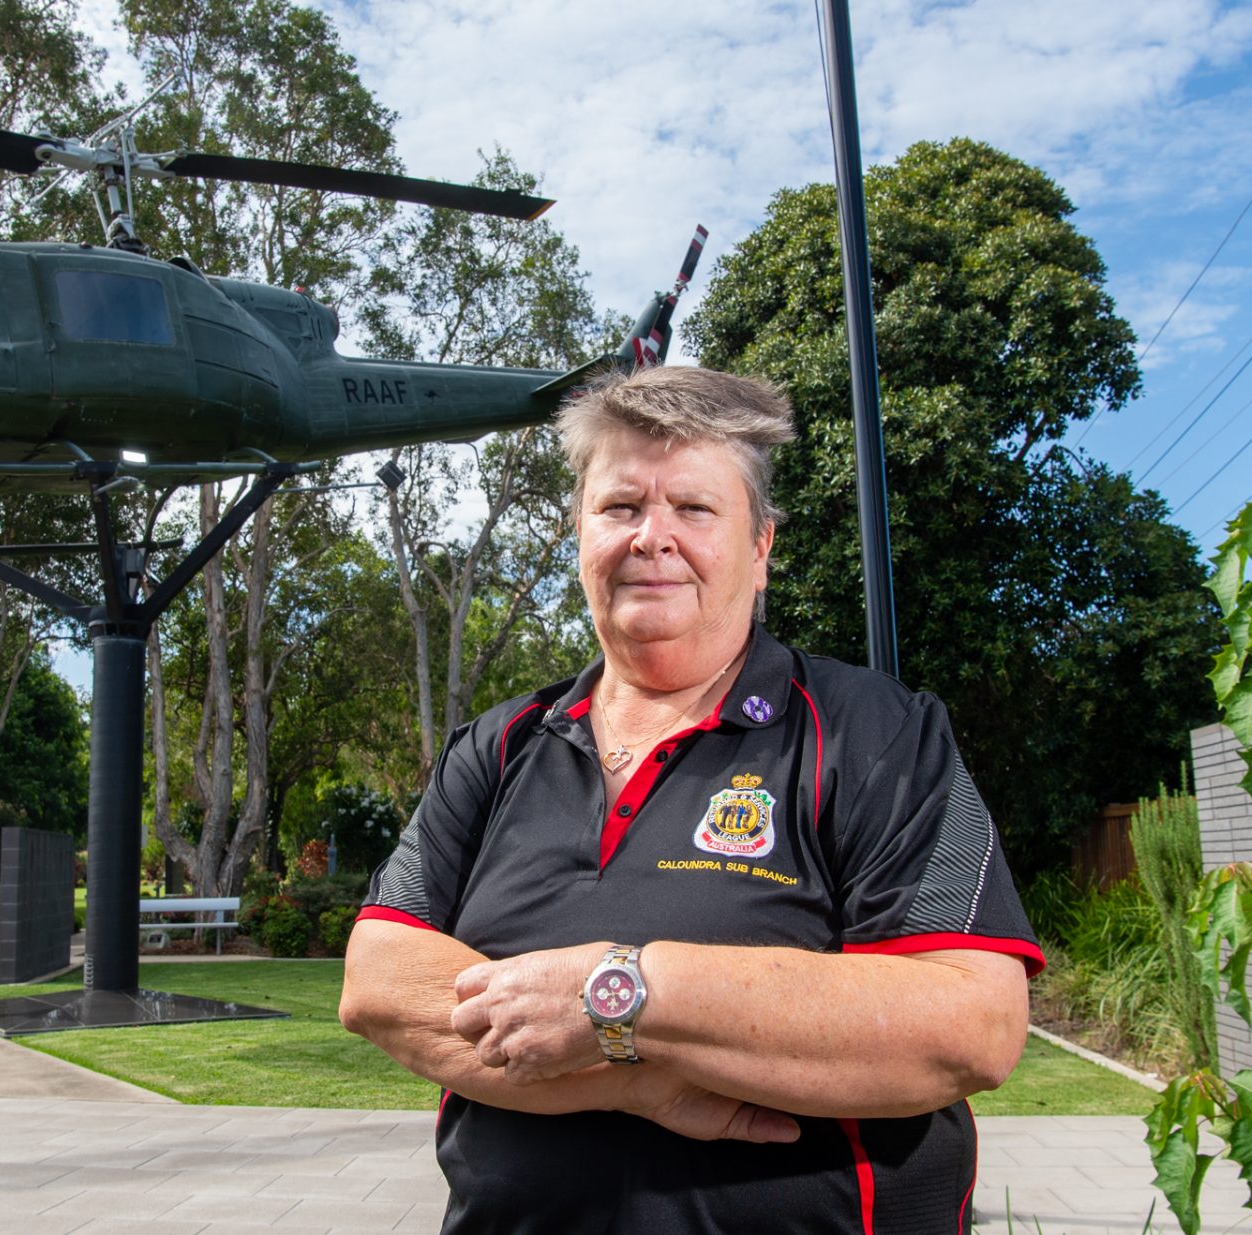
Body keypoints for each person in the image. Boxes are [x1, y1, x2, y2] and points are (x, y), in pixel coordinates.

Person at [339, 365, 1042, 1235]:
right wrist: (643, 1077)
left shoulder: (877, 734)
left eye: (695, 509)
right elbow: (377, 979)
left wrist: (622, 990)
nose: (652, 537)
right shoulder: (500, 745)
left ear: (760, 549)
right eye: (621, 506)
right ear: (579, 532)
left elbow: (967, 1024)